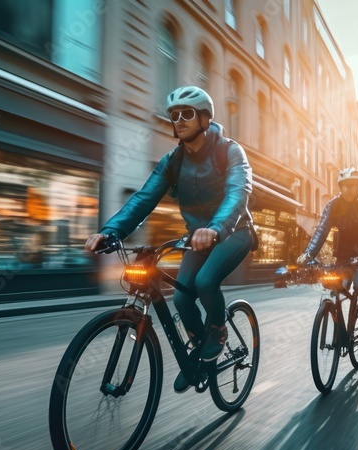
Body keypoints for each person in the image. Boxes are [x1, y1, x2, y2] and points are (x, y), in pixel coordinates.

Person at [85, 86, 255, 393]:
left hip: (234, 231)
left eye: (187, 114)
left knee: (204, 282)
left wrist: (215, 227)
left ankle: (216, 332)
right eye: (174, 116)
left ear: (205, 118)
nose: (180, 120)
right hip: (196, 238)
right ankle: (199, 354)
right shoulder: (173, 161)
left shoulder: (228, 150)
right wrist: (111, 231)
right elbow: (143, 198)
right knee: (180, 295)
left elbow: (237, 192)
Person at [297, 167, 358, 333]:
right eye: (344, 185)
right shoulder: (333, 205)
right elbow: (321, 231)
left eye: (352, 185)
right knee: (335, 285)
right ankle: (340, 332)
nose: (347, 189)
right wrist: (308, 254)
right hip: (345, 257)